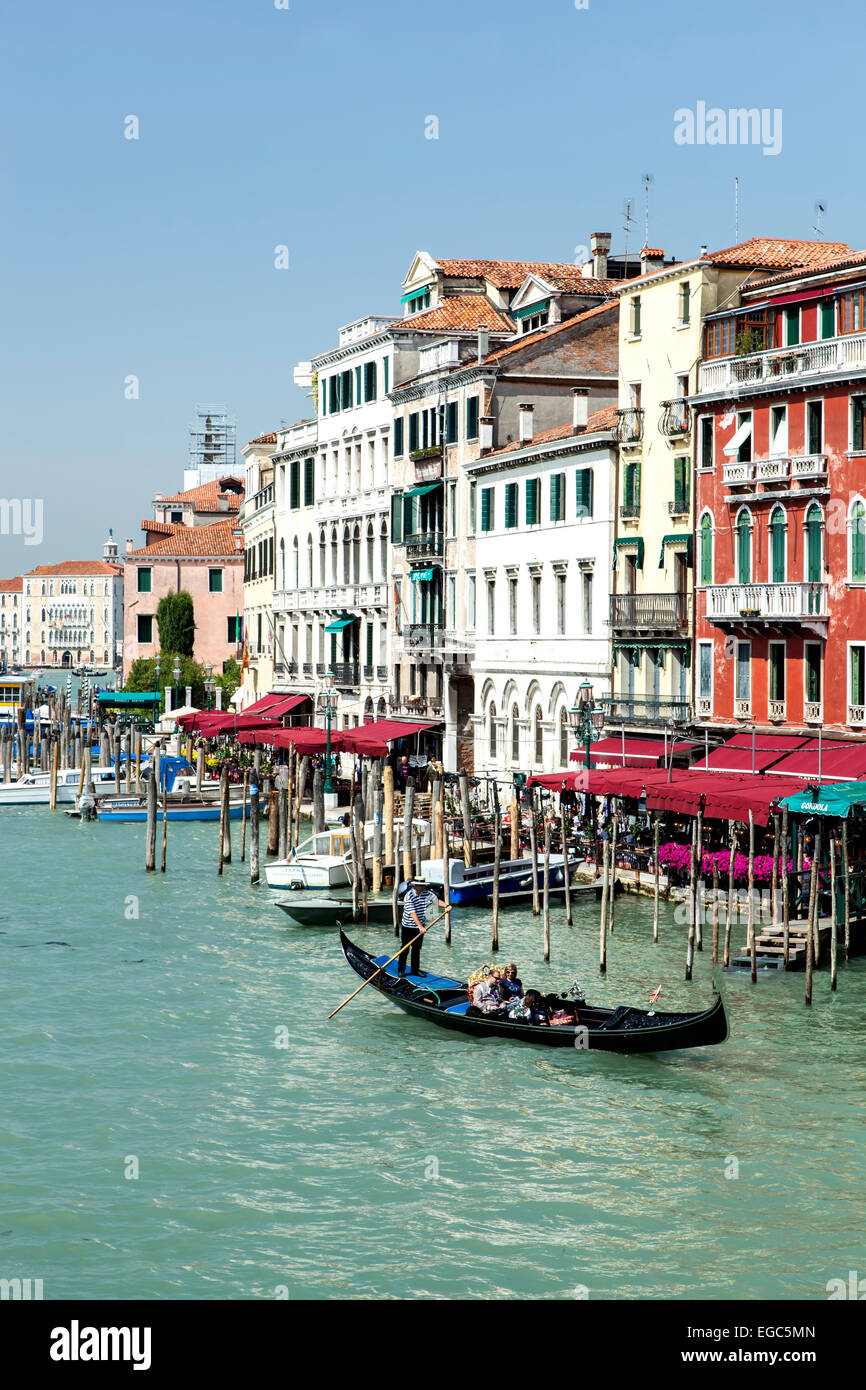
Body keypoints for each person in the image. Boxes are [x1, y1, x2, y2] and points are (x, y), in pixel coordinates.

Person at [398, 876, 445, 978]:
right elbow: (412, 913)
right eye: (421, 886)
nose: (423, 888)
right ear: (416, 886)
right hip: (408, 926)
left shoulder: (425, 893)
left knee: (416, 949)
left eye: (424, 886)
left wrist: (446, 906)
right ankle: (401, 971)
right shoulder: (409, 896)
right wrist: (420, 926)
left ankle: (415, 971)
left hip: (419, 927)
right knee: (405, 949)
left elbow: (435, 900)